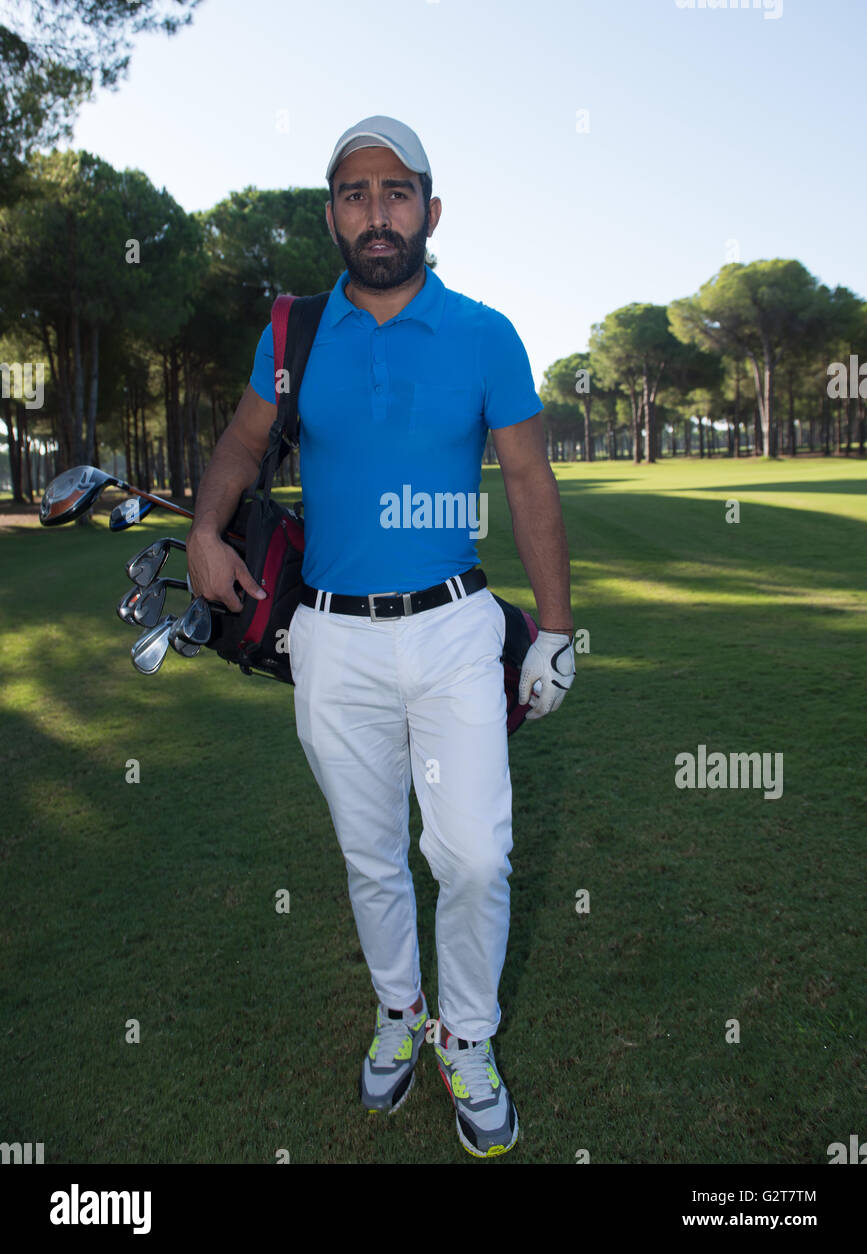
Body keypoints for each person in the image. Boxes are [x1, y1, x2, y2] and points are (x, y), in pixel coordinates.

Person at [186, 116, 575, 1159]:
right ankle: (402, 1012)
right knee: (371, 857)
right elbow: (241, 438)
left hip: (453, 629)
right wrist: (205, 526)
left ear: (430, 212)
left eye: (396, 192)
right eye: (355, 195)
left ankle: (472, 1038)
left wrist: (557, 629)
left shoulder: (487, 332)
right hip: (330, 638)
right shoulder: (293, 333)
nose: (376, 212)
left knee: (475, 858)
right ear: (332, 217)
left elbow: (531, 480)